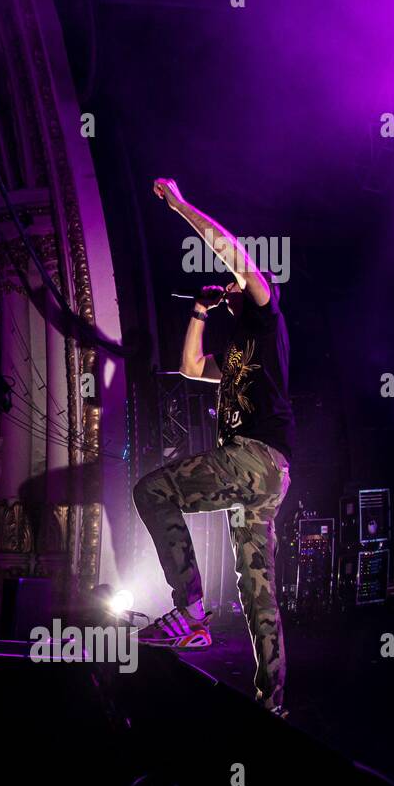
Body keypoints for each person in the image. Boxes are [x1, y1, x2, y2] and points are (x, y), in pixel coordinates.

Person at [132, 178, 293, 715]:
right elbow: (189, 368)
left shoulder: (266, 318)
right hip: (263, 476)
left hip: (256, 455)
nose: (226, 291)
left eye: (230, 290)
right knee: (257, 589)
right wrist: (199, 313)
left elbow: (233, 252)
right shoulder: (238, 351)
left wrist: (178, 205)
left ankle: (191, 613)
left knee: (153, 489)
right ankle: (272, 704)